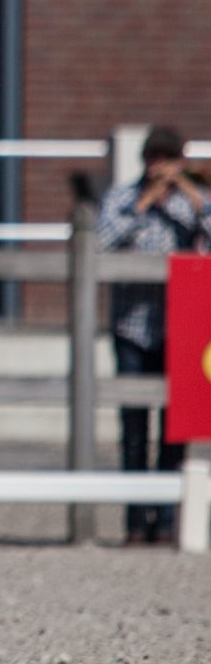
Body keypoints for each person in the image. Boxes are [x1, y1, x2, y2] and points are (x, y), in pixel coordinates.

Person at [97, 126, 211, 546]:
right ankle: (133, 522)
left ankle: (165, 523)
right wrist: (145, 205)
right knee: (132, 429)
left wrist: (195, 198)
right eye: (153, 157)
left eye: (168, 157)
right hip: (132, 326)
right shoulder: (121, 199)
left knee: (174, 431)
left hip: (181, 329)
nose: (160, 165)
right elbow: (101, 243)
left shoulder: (195, 201)